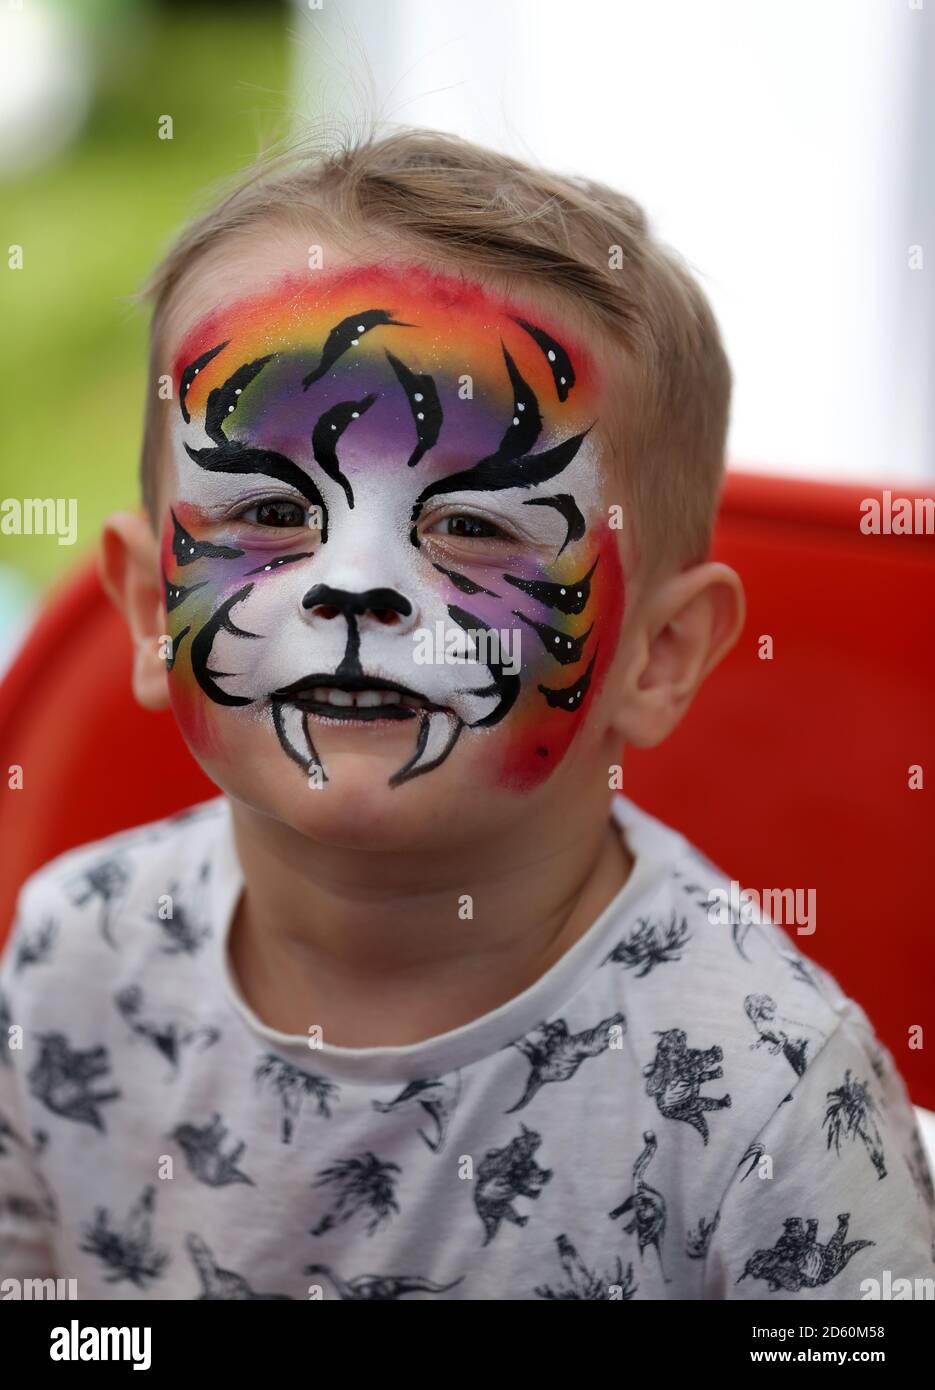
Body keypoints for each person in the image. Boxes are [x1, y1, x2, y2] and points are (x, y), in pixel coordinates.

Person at [1, 130, 932, 1300]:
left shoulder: (767, 1092)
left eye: (476, 527)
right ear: (146, 609)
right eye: (270, 509)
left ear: (657, 653)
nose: (350, 583)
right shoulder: (70, 958)